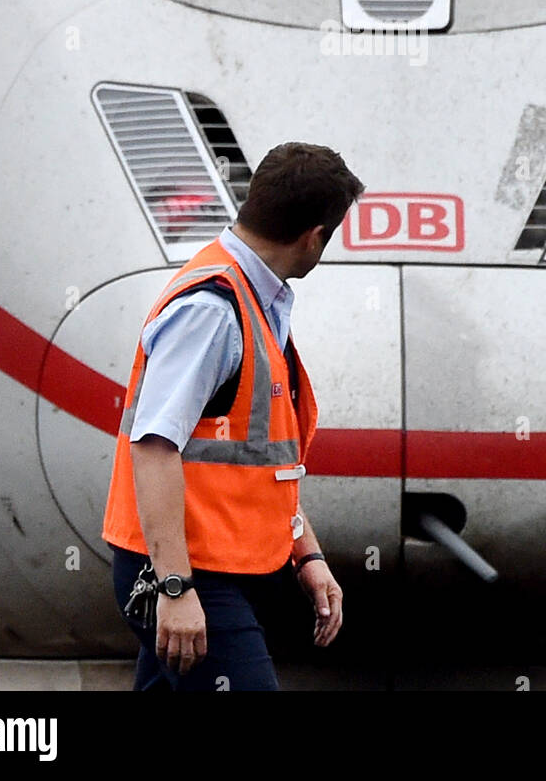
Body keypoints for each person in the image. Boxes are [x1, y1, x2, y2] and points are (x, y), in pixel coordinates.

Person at [102, 140, 365, 691]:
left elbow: (260, 462)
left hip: (211, 568)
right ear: (315, 236)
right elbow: (153, 447)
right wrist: (174, 589)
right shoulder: (212, 310)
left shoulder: (252, 299)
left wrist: (305, 552)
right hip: (190, 574)